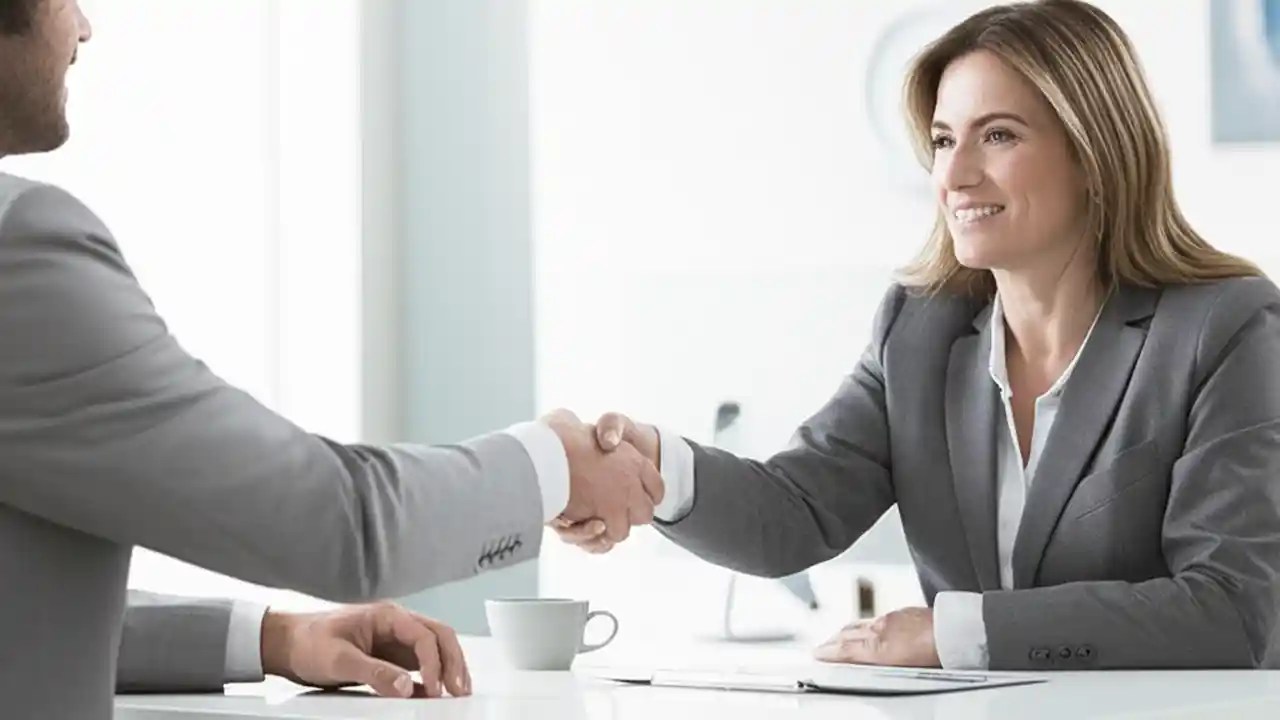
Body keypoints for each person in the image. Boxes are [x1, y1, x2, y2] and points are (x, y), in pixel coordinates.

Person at [557, 0, 1280, 671]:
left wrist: (955, 634)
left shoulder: (1227, 328)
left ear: (1094, 155)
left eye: (998, 135)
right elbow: (795, 511)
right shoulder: (919, 329)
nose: (955, 174)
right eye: (942, 140)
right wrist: (656, 471)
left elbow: (1231, 610)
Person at [0, 1, 663, 717]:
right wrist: (555, 466)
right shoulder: (22, 248)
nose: (86, 27)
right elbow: (338, 519)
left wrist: (274, 640)